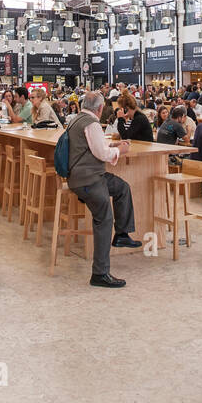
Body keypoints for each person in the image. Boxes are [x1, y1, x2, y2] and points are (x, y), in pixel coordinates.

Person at [65, 91, 143, 287]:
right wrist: (119, 150)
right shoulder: (91, 123)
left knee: (121, 188)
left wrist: (111, 144)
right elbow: (101, 154)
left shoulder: (77, 120)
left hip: (83, 176)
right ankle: (100, 273)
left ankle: (122, 234)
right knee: (104, 219)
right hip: (88, 180)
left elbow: (93, 145)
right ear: (100, 108)